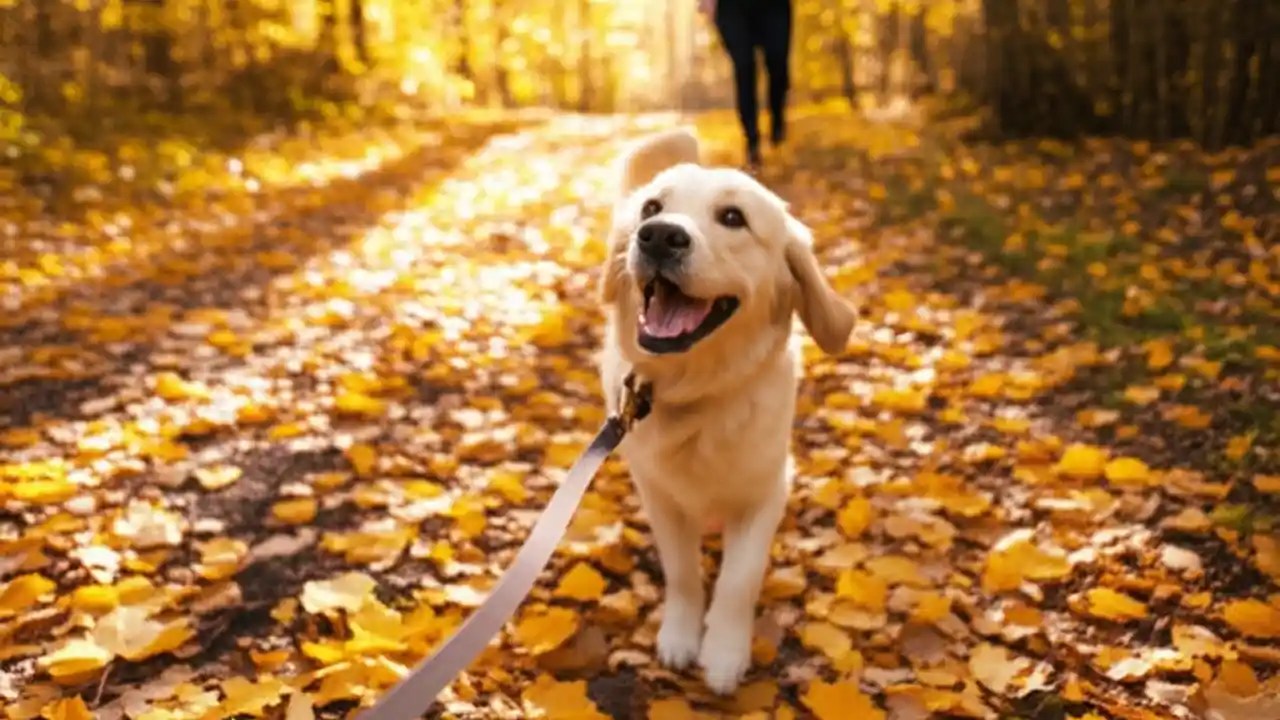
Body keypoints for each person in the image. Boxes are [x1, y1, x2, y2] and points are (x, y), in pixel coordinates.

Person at [699, 0, 793, 169]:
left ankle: (777, 122)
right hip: (732, 7)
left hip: (774, 6)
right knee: (744, 66)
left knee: (778, 63)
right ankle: (752, 141)